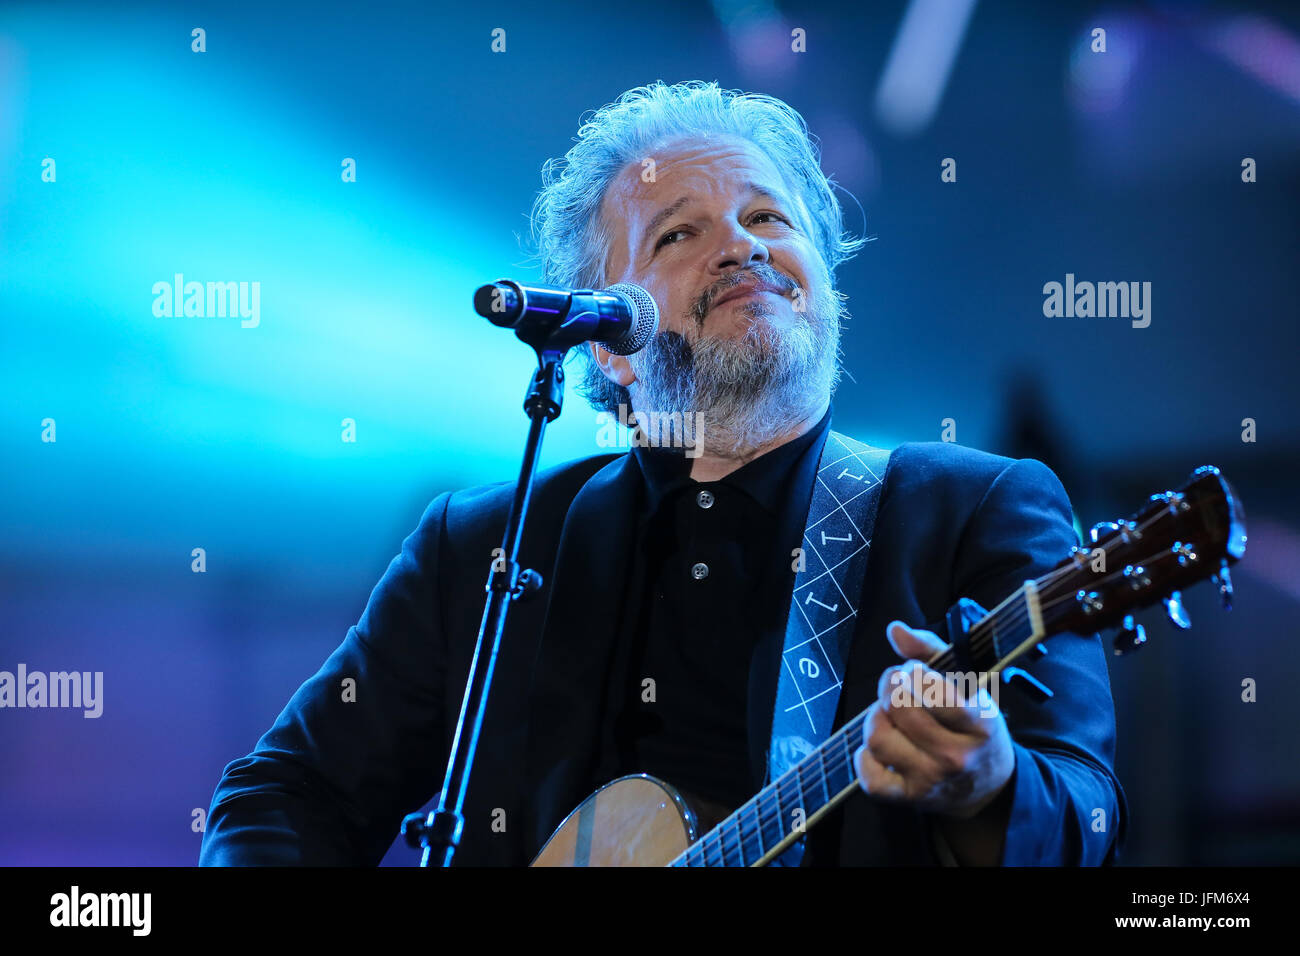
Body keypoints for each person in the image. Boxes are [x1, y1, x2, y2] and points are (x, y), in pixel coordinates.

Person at [199, 80, 1126, 867]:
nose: (743, 245)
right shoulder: (482, 550)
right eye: (679, 234)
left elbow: (1088, 818)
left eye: (768, 217)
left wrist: (988, 787)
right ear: (609, 345)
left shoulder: (976, 510)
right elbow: (283, 794)